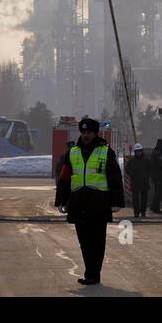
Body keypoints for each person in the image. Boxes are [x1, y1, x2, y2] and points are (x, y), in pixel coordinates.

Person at [62, 116, 124, 286]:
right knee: (84, 241)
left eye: (88, 132)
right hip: (78, 202)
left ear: (95, 133)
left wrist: (117, 201)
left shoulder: (105, 151)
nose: (85, 135)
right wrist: (61, 200)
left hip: (98, 203)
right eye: (83, 132)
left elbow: (115, 177)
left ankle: (94, 274)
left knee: (97, 241)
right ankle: (90, 273)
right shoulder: (73, 152)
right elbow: (65, 177)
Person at [125, 144, 151, 218]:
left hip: (144, 182)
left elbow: (151, 168)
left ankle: (143, 212)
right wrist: (132, 174)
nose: (139, 153)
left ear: (142, 151)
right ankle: (136, 212)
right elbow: (127, 169)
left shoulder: (146, 160)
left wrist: (147, 175)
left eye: (140, 151)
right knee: (135, 199)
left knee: (144, 199)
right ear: (135, 152)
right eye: (137, 151)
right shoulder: (132, 161)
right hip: (135, 182)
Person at [149, 139, 162, 214]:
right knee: (158, 193)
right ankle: (156, 208)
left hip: (158, 176)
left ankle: (154, 207)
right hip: (158, 177)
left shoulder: (158, 153)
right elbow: (161, 164)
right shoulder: (157, 154)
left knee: (158, 193)